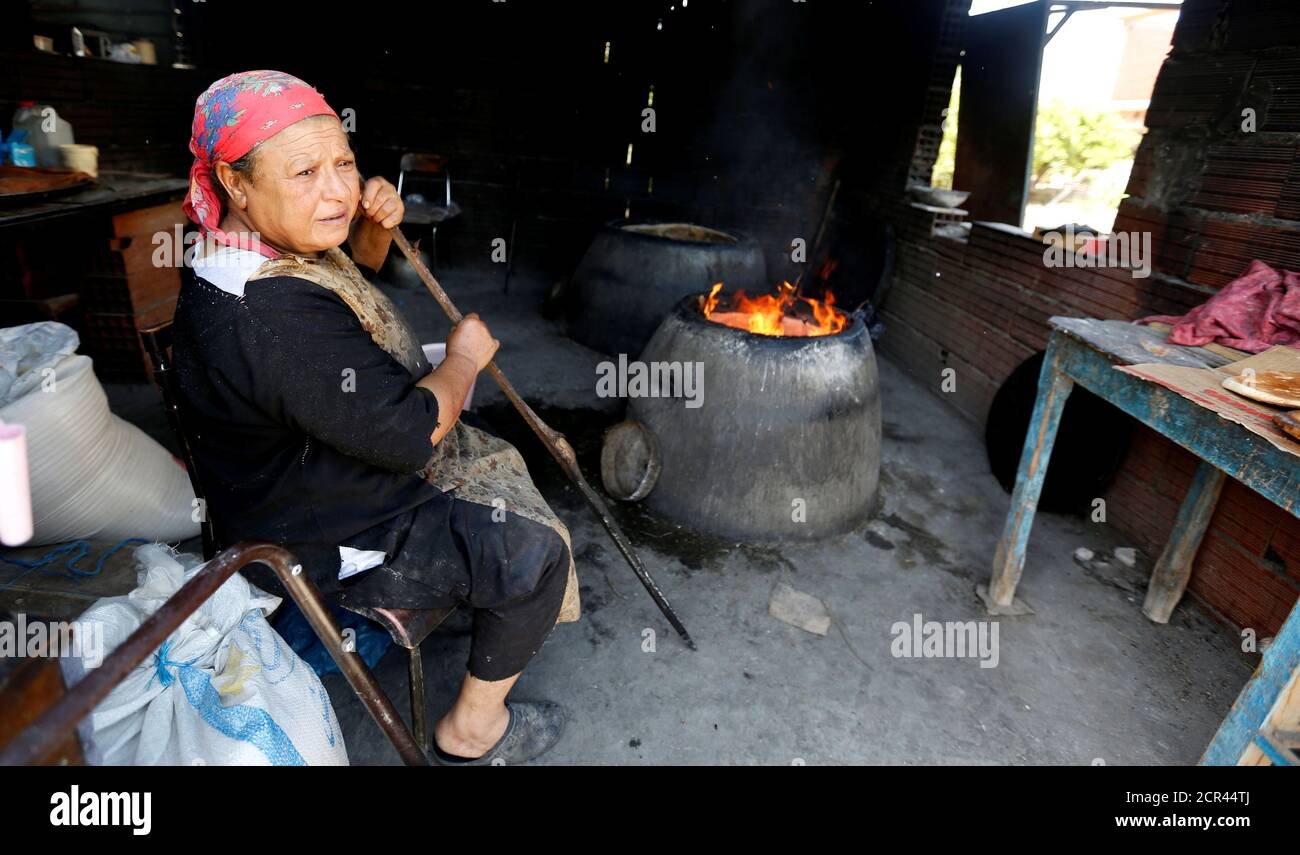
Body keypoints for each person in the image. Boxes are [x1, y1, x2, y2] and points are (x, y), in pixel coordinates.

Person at [170, 70, 578, 765]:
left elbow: (353, 270)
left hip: (302, 468)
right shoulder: (266, 311)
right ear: (235, 183)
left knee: (488, 456)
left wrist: (368, 226)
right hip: (316, 532)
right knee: (535, 552)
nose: (335, 188)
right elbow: (408, 432)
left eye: (345, 164)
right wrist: (463, 360)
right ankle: (471, 732)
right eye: (305, 171)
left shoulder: (246, 246)